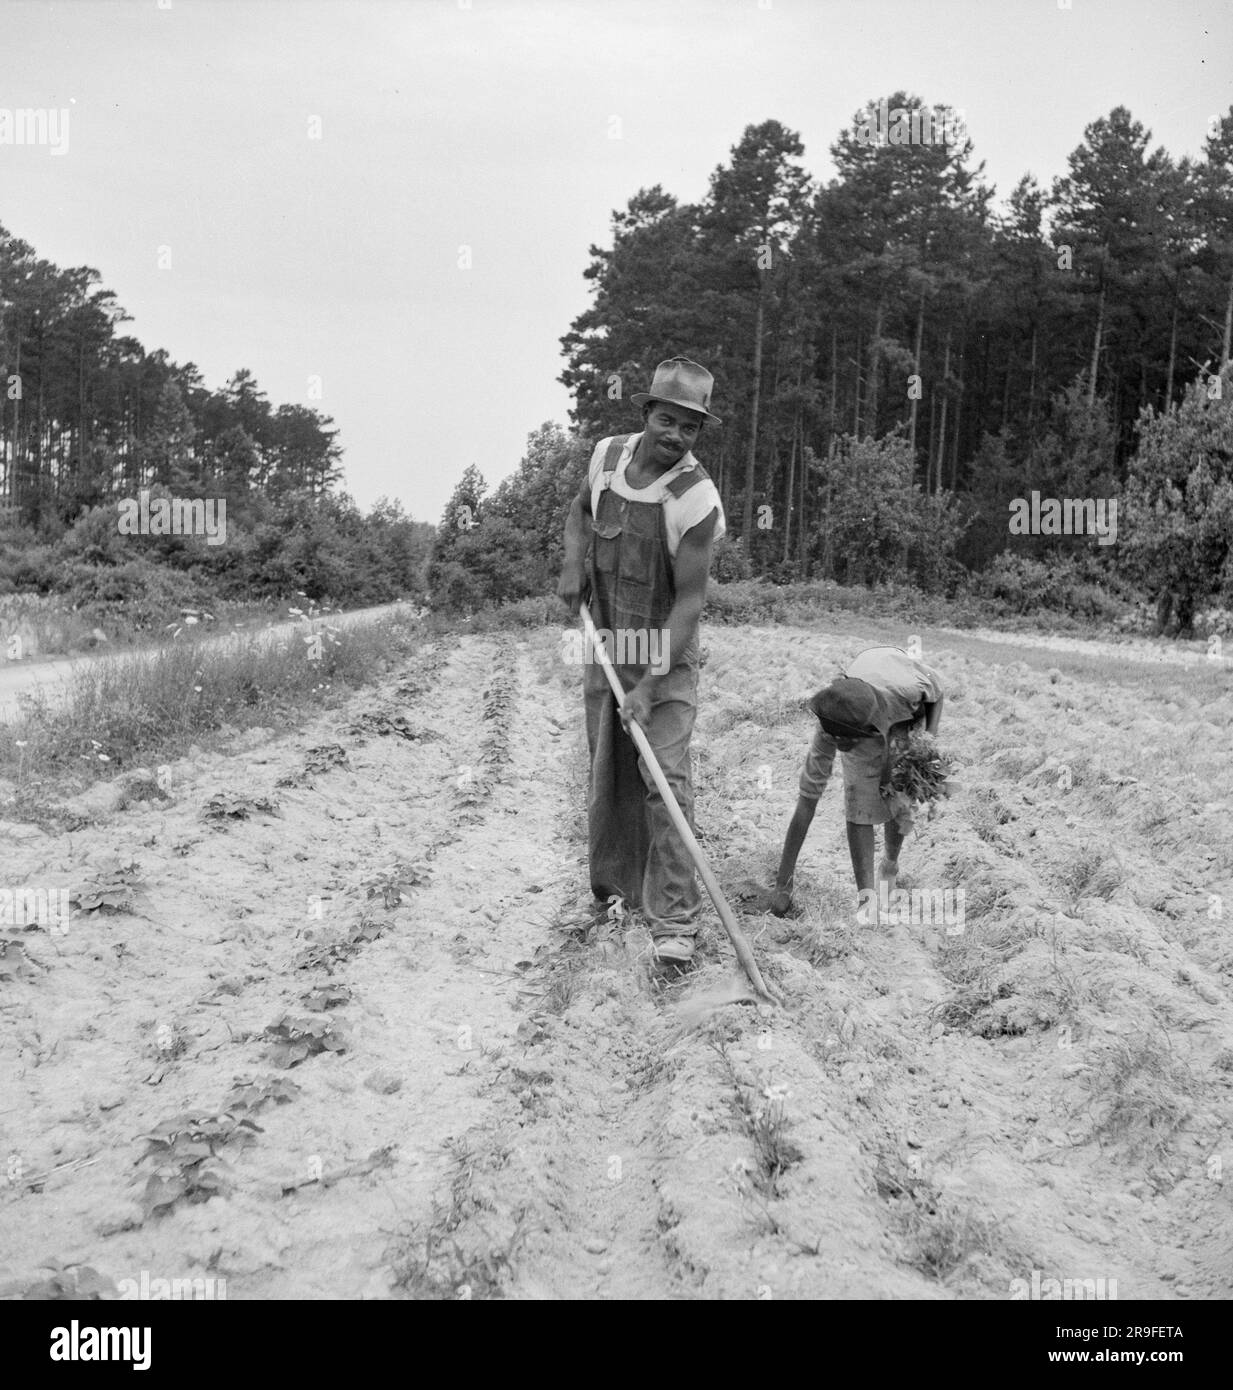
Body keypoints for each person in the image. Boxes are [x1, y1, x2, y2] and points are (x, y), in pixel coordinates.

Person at [556, 356, 726, 967]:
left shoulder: (696, 498)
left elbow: (688, 604)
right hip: (606, 649)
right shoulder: (605, 458)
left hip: (666, 660)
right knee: (609, 776)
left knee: (666, 785)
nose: (676, 434)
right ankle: (613, 899)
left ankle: (675, 922)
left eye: (690, 426)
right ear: (647, 412)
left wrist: (652, 683)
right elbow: (580, 512)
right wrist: (572, 565)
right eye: (667, 418)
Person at [771, 645, 944, 924]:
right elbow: (807, 801)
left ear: (865, 733)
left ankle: (890, 863)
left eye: (847, 743)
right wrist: (783, 883)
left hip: (903, 717)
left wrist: (930, 739)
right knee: (858, 803)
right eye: (838, 741)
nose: (840, 747)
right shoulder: (835, 716)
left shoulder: (908, 689)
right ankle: (867, 900)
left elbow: (938, 692)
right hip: (858, 715)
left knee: (898, 794)